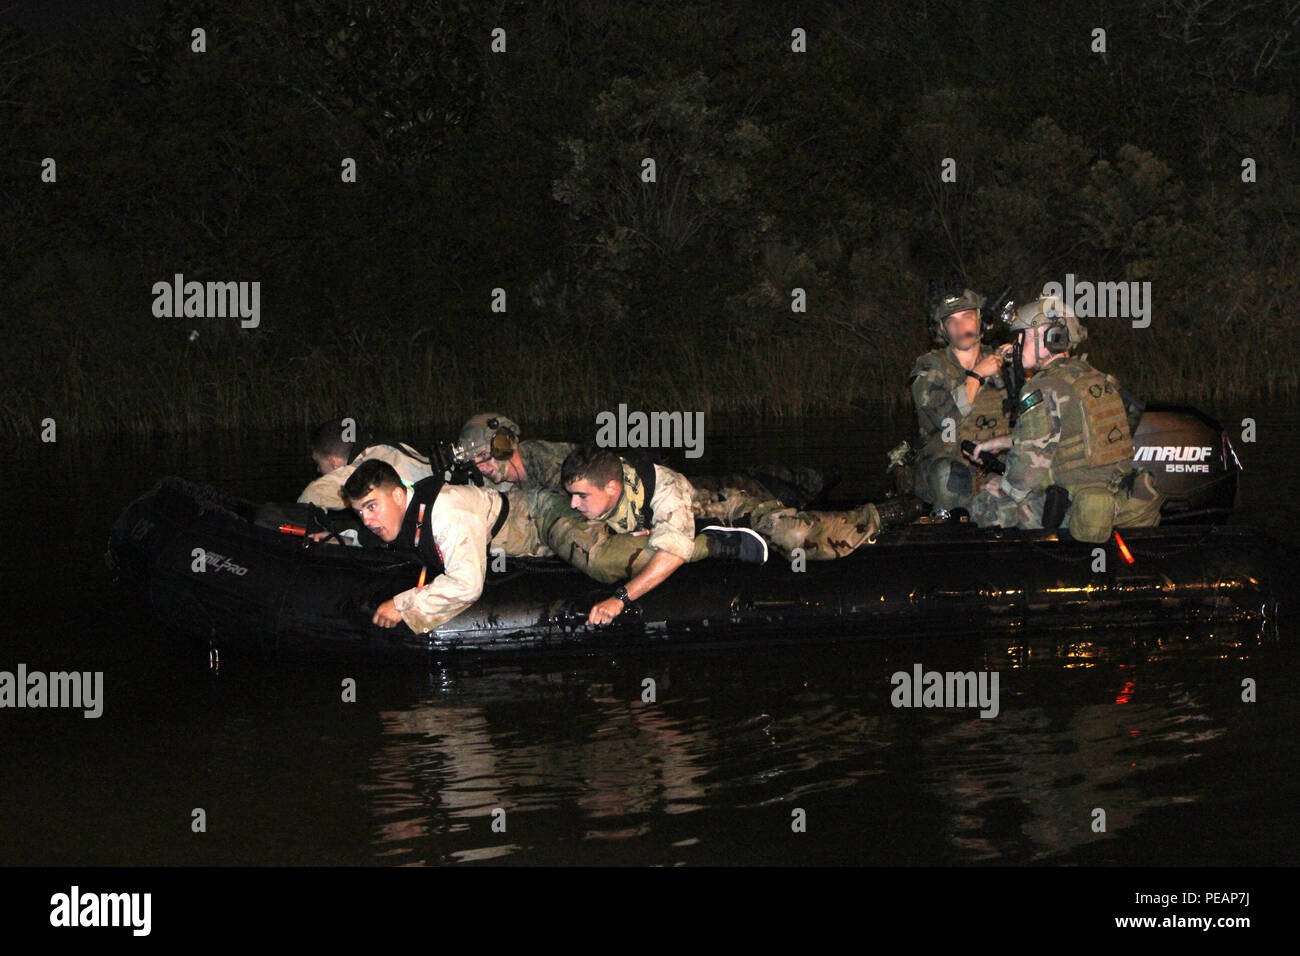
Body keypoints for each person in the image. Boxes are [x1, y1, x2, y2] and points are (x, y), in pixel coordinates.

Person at [966, 296, 1161, 541]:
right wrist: (1000, 442)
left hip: (1071, 507)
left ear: (1048, 336)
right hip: (1116, 500)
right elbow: (1067, 433)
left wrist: (1003, 489)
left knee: (985, 503)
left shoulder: (1044, 387)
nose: (1015, 344)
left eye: (1020, 336)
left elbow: (1027, 472)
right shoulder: (1097, 378)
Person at [560, 445, 767, 625]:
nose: (573, 504)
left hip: (705, 510)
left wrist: (619, 599)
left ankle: (718, 539)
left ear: (612, 488)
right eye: (572, 495)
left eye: (582, 496)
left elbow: (673, 554)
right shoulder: (599, 481)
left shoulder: (667, 488)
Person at [341, 459, 550, 633]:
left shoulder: (445, 515)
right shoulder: (397, 514)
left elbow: (468, 585)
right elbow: (373, 539)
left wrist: (401, 605)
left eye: (371, 506)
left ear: (397, 495)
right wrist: (344, 539)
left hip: (530, 525)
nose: (366, 520)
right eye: (360, 512)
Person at [908, 286, 1012, 513]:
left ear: (980, 321)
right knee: (950, 477)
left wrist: (1026, 356)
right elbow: (945, 418)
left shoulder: (1005, 361)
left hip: (998, 463)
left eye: (967, 317)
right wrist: (976, 376)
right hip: (948, 466)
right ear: (942, 329)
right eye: (951, 321)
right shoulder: (930, 367)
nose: (960, 327)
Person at [299, 419, 433, 510]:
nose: (318, 469)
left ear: (333, 461)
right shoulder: (390, 448)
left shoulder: (364, 469)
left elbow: (314, 493)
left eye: (318, 463)